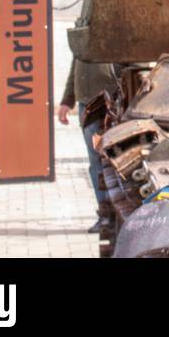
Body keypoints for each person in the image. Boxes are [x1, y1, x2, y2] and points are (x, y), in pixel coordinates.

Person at [57, 57, 119, 234]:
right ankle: (105, 215)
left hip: (112, 102)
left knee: (115, 160)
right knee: (96, 162)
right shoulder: (82, 28)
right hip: (88, 104)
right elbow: (76, 63)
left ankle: (118, 213)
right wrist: (67, 100)